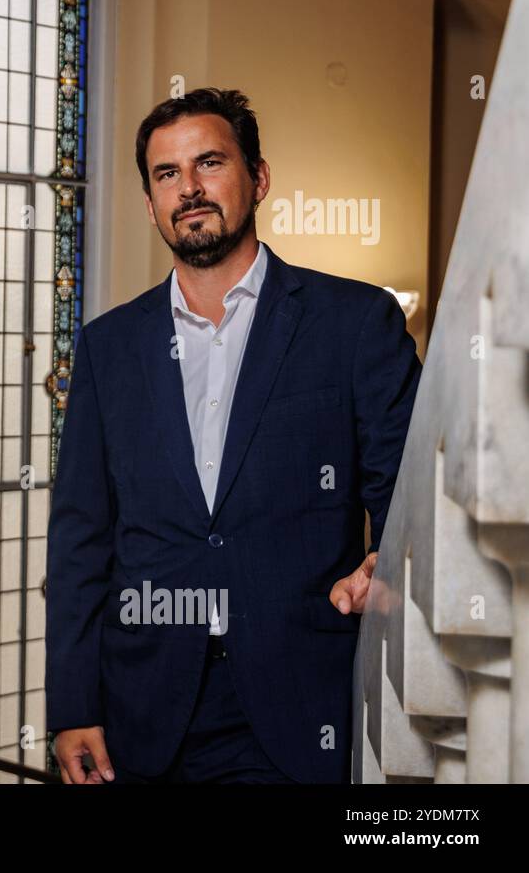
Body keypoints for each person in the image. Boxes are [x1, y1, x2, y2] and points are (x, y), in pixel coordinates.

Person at [45, 88, 420, 783]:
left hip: (303, 703)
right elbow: (80, 540)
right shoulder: (108, 347)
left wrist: (386, 564)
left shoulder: (353, 323)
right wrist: (72, 705)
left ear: (259, 178)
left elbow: (410, 500)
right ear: (151, 200)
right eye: (166, 175)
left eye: (209, 163)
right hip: (145, 710)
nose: (188, 189)